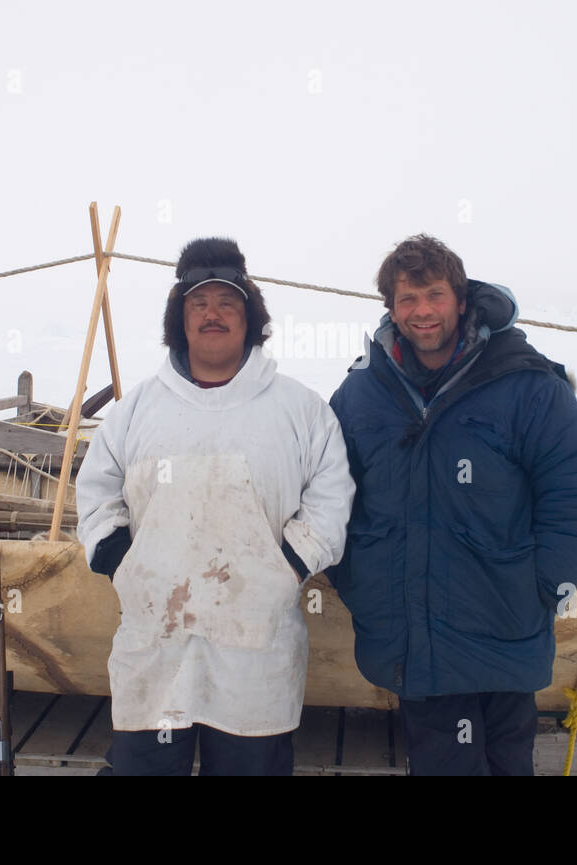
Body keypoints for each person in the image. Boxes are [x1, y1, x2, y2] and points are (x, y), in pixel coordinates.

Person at [327, 234, 577, 775]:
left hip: (504, 620)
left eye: (433, 295)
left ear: (460, 298)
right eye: (407, 299)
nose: (422, 311)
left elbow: (575, 491)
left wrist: (543, 586)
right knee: (441, 762)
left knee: (506, 761)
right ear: (391, 308)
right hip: (412, 631)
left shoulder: (526, 384)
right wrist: (358, 581)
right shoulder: (361, 392)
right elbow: (329, 491)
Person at [75, 237, 354, 776]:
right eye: (198, 304)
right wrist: (120, 559)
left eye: (228, 303)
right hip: (154, 642)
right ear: (178, 320)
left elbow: (331, 496)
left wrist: (288, 566)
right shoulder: (136, 410)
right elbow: (96, 491)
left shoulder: (300, 409)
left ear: (250, 318)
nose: (212, 315)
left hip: (257, 649)